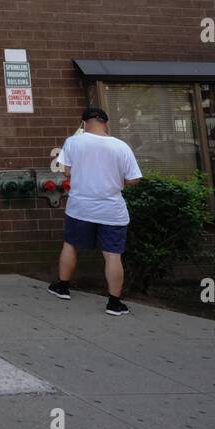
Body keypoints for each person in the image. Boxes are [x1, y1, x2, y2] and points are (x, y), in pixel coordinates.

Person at [48, 106, 142, 316]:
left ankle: (63, 287)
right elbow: (134, 179)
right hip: (112, 210)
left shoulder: (73, 142)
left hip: (80, 207)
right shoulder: (121, 146)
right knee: (112, 255)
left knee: (71, 245)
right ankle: (114, 303)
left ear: (83, 124)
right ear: (105, 123)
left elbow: (65, 171)